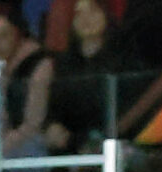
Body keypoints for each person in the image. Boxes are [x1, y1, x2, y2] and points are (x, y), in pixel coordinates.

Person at [46, 0, 136, 153]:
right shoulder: (64, 64)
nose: (86, 18)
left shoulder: (124, 60)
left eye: (93, 11)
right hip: (70, 150)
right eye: (78, 14)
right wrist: (52, 126)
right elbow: (54, 108)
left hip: (113, 146)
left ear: (106, 14)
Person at [0, 9, 54, 160]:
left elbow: (32, 125)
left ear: (17, 37)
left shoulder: (37, 65)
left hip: (27, 144)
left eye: (3, 36)